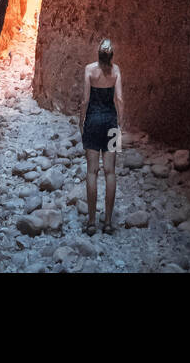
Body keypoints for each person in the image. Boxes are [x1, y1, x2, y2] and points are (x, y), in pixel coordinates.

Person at [79, 38, 123, 234]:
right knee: (110, 172)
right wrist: (120, 122)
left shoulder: (89, 70)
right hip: (111, 122)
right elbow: (119, 99)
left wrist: (82, 121)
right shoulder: (116, 71)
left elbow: (85, 100)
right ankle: (107, 222)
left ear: (97, 54)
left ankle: (91, 222)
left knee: (92, 172)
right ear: (112, 56)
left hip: (93, 122)